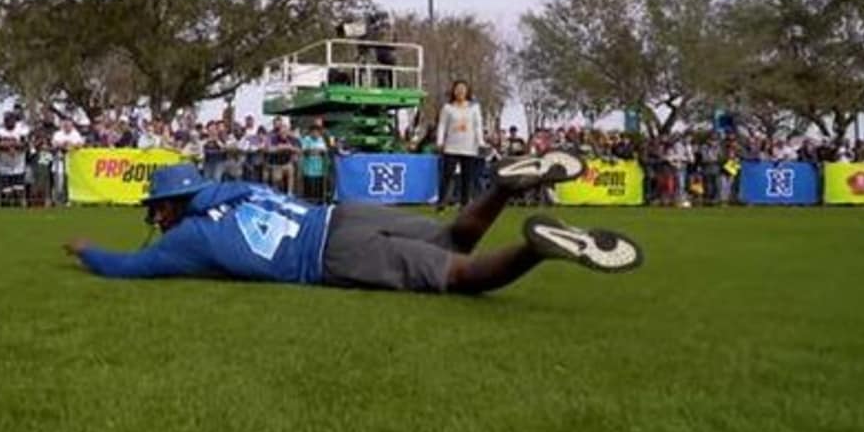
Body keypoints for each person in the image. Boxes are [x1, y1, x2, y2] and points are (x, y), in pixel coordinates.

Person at [66, 151, 642, 295]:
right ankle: (504, 187)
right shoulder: (235, 188)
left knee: (456, 274)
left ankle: (537, 248)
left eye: (157, 207)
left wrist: (87, 249)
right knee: (452, 236)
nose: (155, 217)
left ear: (173, 203)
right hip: (339, 214)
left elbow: (127, 267)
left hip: (327, 257)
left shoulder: (189, 238)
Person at [436, 80, 484, 211]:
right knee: (447, 174)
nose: (460, 91)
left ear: (467, 91)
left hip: (469, 147)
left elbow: (478, 126)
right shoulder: (448, 108)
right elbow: (442, 125)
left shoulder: (474, 108)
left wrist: (480, 142)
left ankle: (464, 203)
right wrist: (440, 141)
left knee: (467, 177)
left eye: (463, 89)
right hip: (451, 146)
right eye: (458, 89)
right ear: (453, 91)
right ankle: (442, 201)